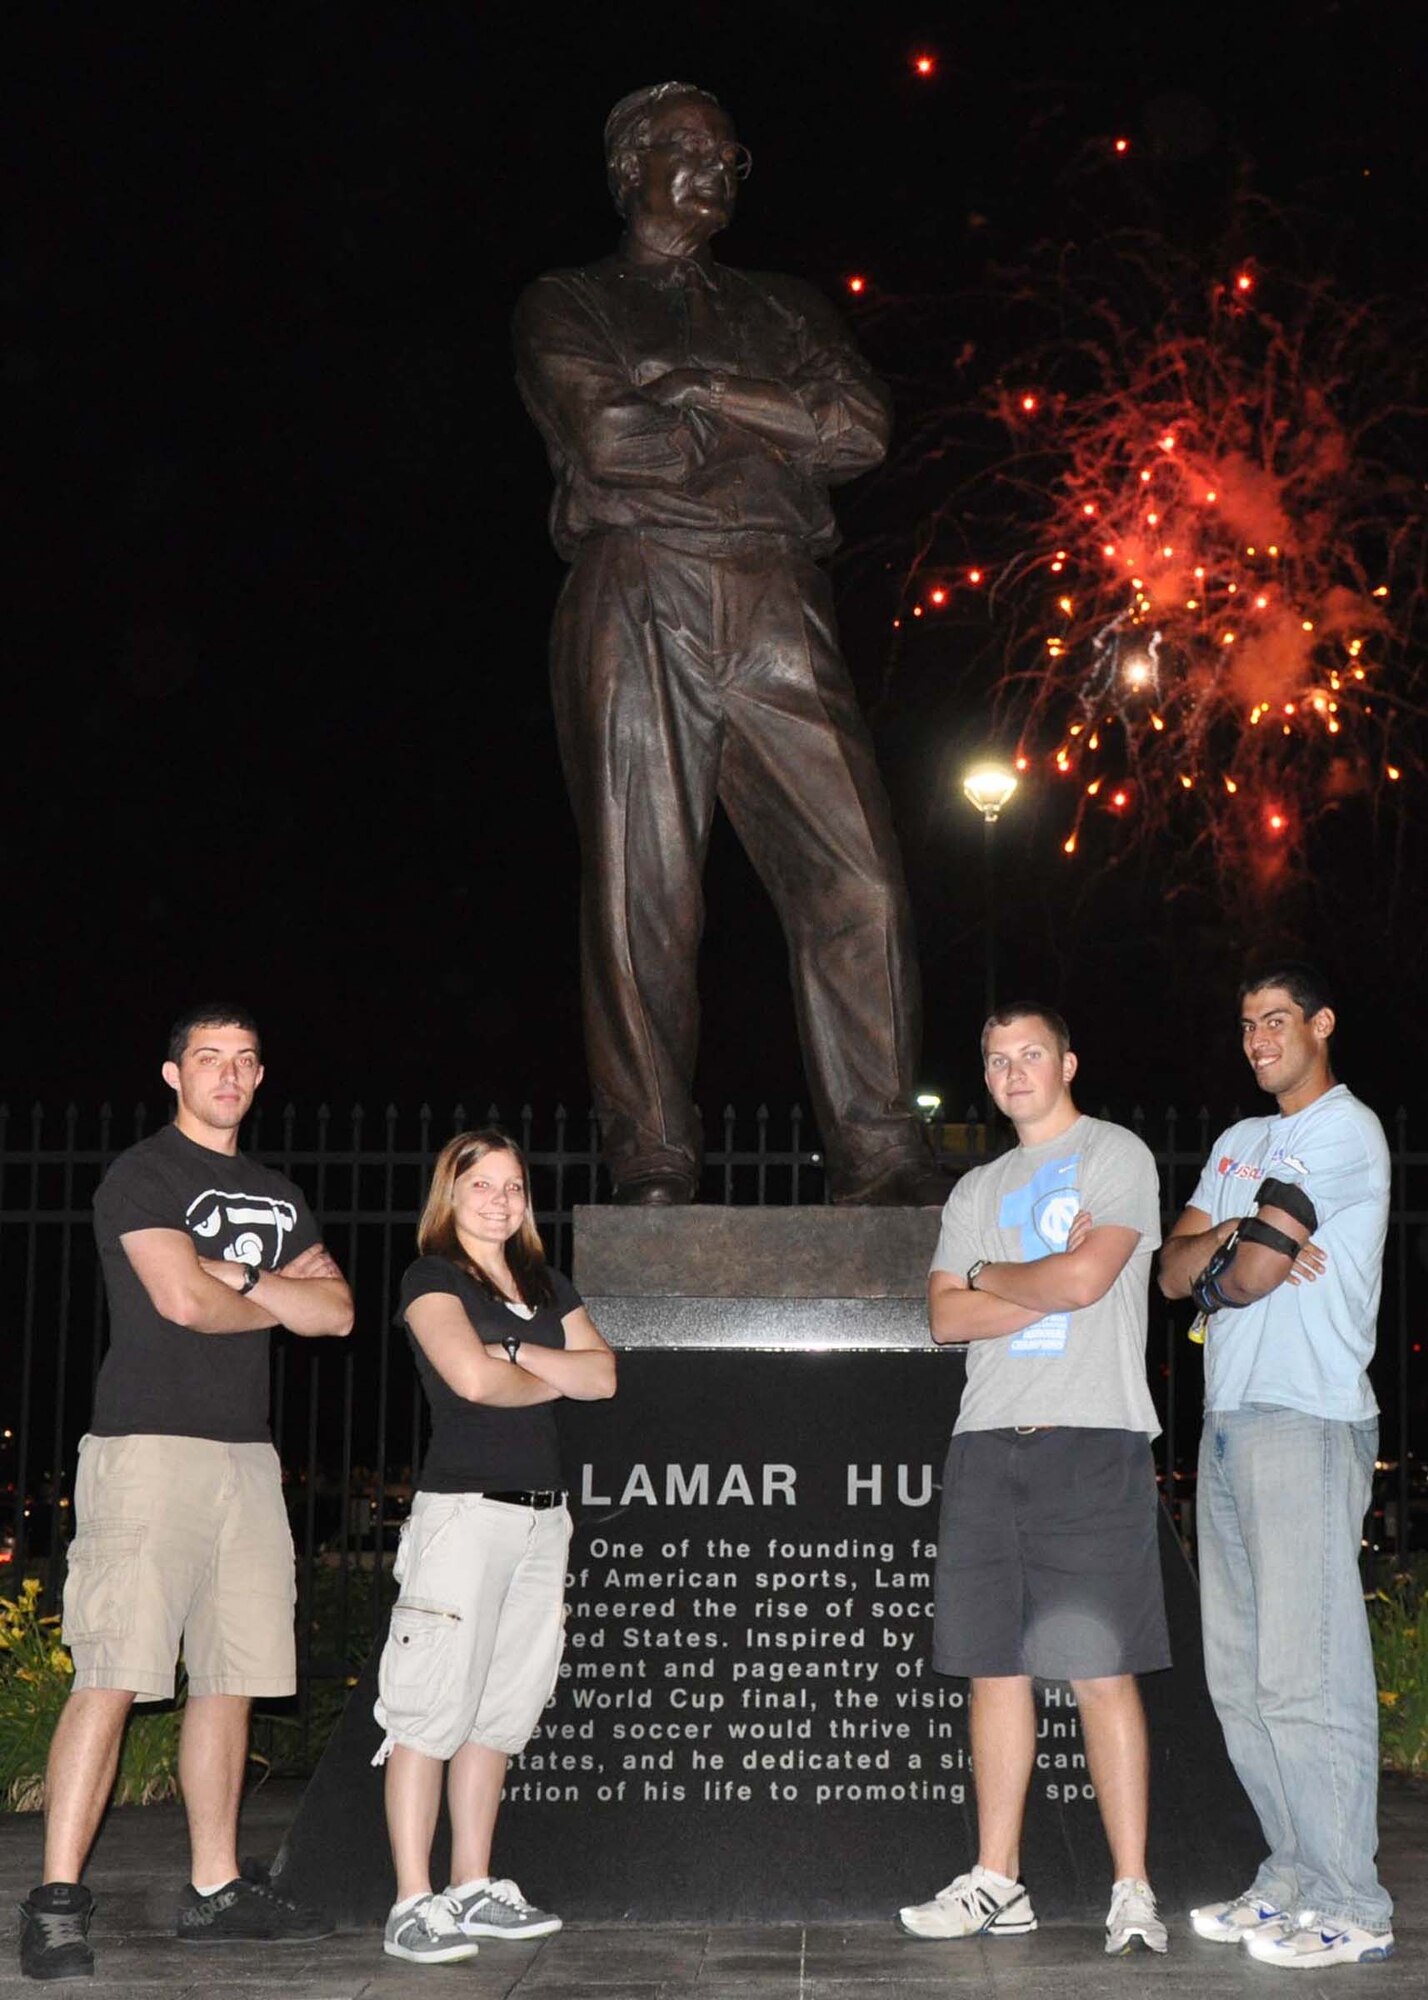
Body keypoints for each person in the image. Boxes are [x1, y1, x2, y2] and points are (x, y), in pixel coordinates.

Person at [514, 81, 945, 1208]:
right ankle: (651, 1150)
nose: (715, 167)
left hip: (777, 593)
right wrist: (774, 428)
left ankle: (883, 1148)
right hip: (638, 584)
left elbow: (861, 429)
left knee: (861, 876)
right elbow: (614, 443)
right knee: (644, 885)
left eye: (728, 153)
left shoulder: (784, 306)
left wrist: (706, 389)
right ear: (629, 169)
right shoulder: (568, 302)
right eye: (688, 148)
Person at [20, 1005, 353, 1983]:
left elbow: (336, 1313)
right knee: (114, 1670)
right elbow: (178, 1299)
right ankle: (54, 1903)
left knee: (230, 1676)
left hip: (247, 1460)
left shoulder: (279, 1193)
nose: (229, 1073)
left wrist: (230, 1271)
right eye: (209, 1057)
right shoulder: (144, 1173)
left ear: (260, 1077)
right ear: (174, 1074)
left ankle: (215, 1889)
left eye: (245, 1059)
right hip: (147, 1448)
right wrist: (269, 1289)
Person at [899, 1003, 1171, 1956]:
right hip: (985, 1443)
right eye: (996, 1059)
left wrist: (991, 1277)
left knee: (1100, 1669)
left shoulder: (1114, 1154)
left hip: (1089, 1438)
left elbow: (1087, 1284)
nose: (1013, 1071)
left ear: (1068, 1062)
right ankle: (997, 1880)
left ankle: (1131, 1887)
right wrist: (1032, 1274)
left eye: (1030, 1054)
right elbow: (944, 1318)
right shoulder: (975, 1187)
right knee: (993, 1668)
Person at [1158, 965, 1395, 1968]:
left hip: (1306, 1418)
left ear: (1321, 1024)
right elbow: (1173, 1272)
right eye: (1248, 1022)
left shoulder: (1345, 1129)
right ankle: (1292, 1875)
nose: (1259, 1037)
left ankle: (1353, 1903)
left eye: (1278, 1019)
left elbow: (1249, 1277)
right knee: (1243, 1679)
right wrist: (1234, 1236)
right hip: (1226, 1422)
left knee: (1310, 1674)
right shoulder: (1237, 1142)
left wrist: (1232, 1258)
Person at [372, 1128, 616, 1965]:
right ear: (451, 1193)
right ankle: (412, 1901)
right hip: (464, 1516)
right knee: (428, 1710)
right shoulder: (431, 1278)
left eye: (513, 1186)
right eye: (482, 1185)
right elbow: (470, 1381)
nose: (500, 1200)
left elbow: (604, 1376)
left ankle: (472, 1886)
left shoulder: (546, 1282)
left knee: (499, 1714)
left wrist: (512, 1348)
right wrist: (549, 1368)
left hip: (544, 1521)